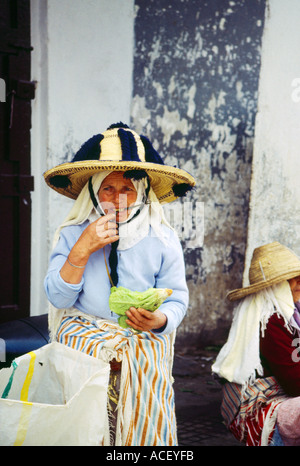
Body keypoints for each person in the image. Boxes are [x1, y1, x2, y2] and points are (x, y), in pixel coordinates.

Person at [43, 122, 195, 446]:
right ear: (94, 192)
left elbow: (177, 296)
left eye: (128, 189)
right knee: (87, 430)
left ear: (142, 192)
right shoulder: (72, 234)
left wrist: (161, 319)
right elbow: (57, 297)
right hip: (86, 344)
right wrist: (83, 246)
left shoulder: (163, 238)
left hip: (142, 341)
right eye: (108, 189)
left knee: (136, 434)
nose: (118, 199)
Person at [212, 241, 300, 446]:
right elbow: (295, 384)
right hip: (260, 406)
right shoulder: (270, 321)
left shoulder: (292, 313)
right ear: (275, 286)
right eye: (292, 279)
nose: (299, 282)